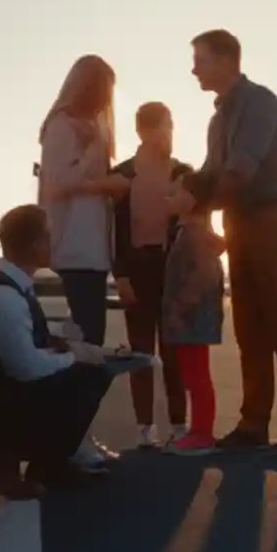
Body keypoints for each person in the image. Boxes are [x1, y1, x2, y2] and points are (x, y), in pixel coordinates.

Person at [189, 28, 277, 454]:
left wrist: (194, 208)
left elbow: (239, 170)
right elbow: (210, 173)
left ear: (227, 60)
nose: (194, 69)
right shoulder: (217, 118)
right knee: (248, 328)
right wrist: (190, 202)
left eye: (201, 59)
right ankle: (253, 424)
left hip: (271, 219)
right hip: (239, 222)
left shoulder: (259, 102)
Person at [0, 204, 115, 491]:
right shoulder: (4, 297)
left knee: (87, 368)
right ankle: (16, 457)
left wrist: (60, 340)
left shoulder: (10, 287)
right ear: (35, 245)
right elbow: (26, 369)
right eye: (50, 236)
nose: (56, 243)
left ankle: (47, 459)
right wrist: (74, 356)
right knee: (91, 375)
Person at [36, 54, 129, 470]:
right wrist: (104, 184)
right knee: (88, 347)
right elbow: (56, 185)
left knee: (89, 344)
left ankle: (73, 434)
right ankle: (70, 438)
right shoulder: (61, 127)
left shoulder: (97, 127)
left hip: (93, 249)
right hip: (74, 247)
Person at [108, 102, 194, 450]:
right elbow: (113, 231)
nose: (168, 134)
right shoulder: (124, 174)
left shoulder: (183, 173)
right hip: (137, 267)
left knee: (175, 351)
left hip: (173, 267)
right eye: (162, 127)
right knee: (142, 353)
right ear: (143, 131)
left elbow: (196, 222)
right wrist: (121, 275)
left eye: (171, 126)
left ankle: (178, 424)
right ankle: (144, 428)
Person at [159, 171, 226, 456]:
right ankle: (199, 431)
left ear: (191, 199)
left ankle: (202, 434)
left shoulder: (195, 236)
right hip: (190, 319)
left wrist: (181, 308)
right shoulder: (192, 233)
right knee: (193, 374)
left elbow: (202, 275)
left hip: (192, 319)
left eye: (174, 193)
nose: (168, 198)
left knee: (197, 376)